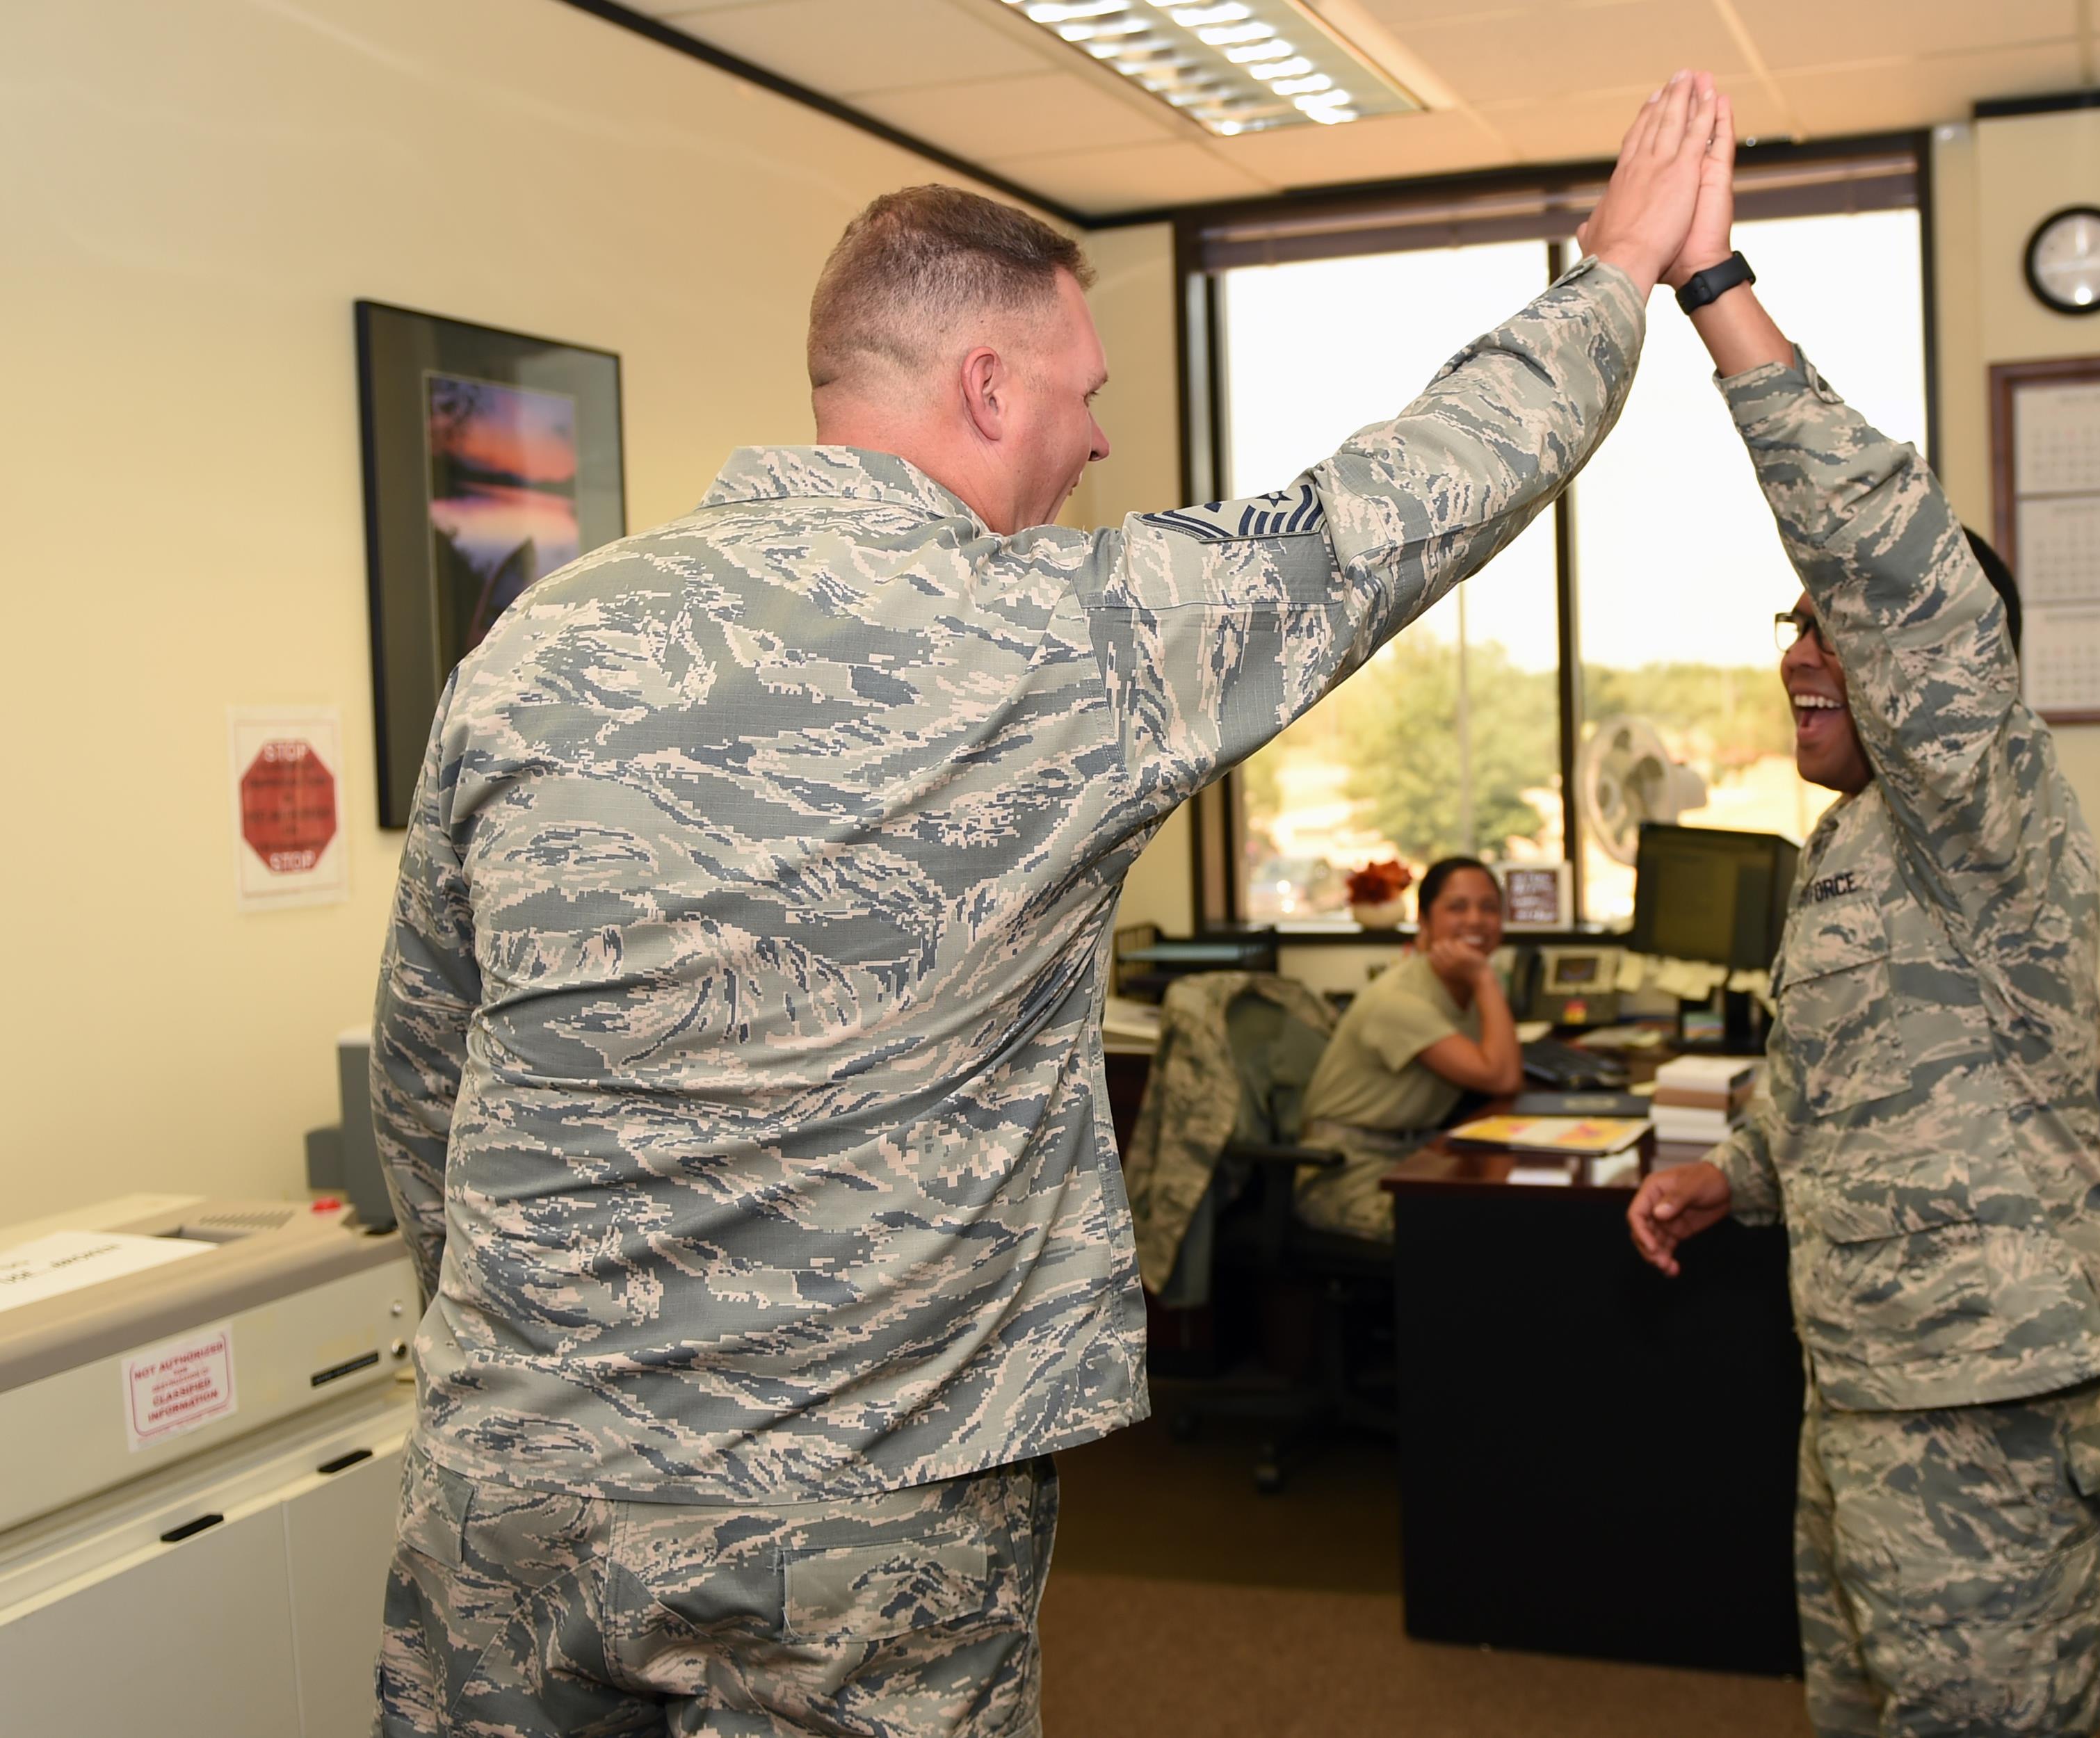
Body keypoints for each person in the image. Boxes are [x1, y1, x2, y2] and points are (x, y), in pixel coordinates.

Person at [369, 74, 1729, 1738]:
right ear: (985, 381)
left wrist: (531, 1350)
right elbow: (1398, 513)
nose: (1096, 442)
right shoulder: (1066, 639)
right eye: (1083, 398)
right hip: (861, 1518)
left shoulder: (539, 640)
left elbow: (426, 1062)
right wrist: (1611, 276)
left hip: (512, 1491)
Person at [1624, 95, 2100, 1738]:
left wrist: (1715, 290)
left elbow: (1898, 582)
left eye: (1833, 629)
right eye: (1790, 622)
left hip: (1984, 1402)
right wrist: (1736, 1167)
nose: (1801, 648)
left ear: (1936, 677)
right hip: (1862, 1385)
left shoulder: (1984, 817)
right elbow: (1847, 1083)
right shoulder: (1855, 848)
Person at [1292, 856, 1524, 1239]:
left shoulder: (1461, 984)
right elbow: (1502, 1078)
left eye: (1489, 908)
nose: (1475, 920)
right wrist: (1485, 978)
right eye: (1457, 907)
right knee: (1483, 1231)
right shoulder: (1399, 1000)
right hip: (1349, 1175)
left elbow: (1500, 1067)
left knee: (1510, 1211)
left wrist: (1481, 982)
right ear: (1425, 921)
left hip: (1413, 1156)